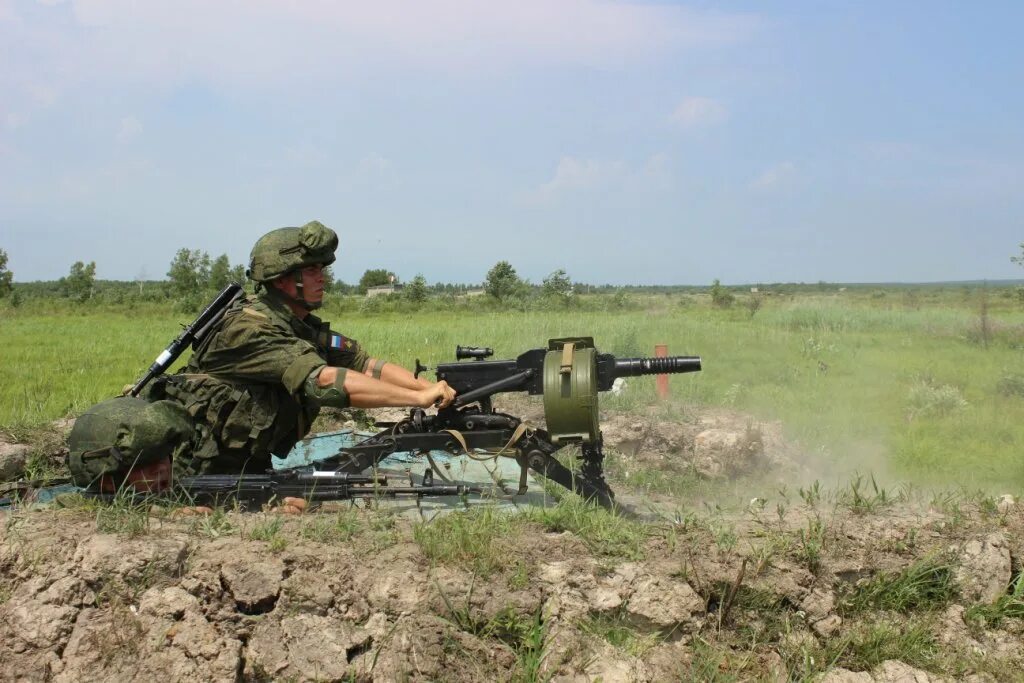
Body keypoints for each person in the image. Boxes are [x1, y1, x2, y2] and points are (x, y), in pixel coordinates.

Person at [162, 220, 455, 476]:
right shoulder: (248, 329)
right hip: (191, 470)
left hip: (244, 466)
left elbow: (365, 365)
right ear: (281, 278)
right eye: (311, 270)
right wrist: (416, 399)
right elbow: (323, 381)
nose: (322, 277)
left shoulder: (299, 325)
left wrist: (429, 388)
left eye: (322, 268)